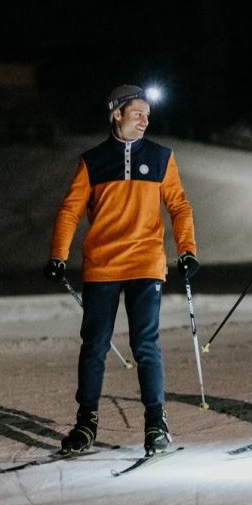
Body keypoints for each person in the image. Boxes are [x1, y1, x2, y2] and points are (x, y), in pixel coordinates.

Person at [45, 84, 199, 456]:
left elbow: (179, 206)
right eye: (138, 113)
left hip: (146, 263)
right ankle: (86, 423)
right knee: (94, 345)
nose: (146, 120)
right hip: (102, 265)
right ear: (116, 113)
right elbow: (70, 209)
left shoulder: (162, 158)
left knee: (145, 344)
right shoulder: (93, 160)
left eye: (148, 114)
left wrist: (187, 251)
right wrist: (58, 255)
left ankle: (155, 422)